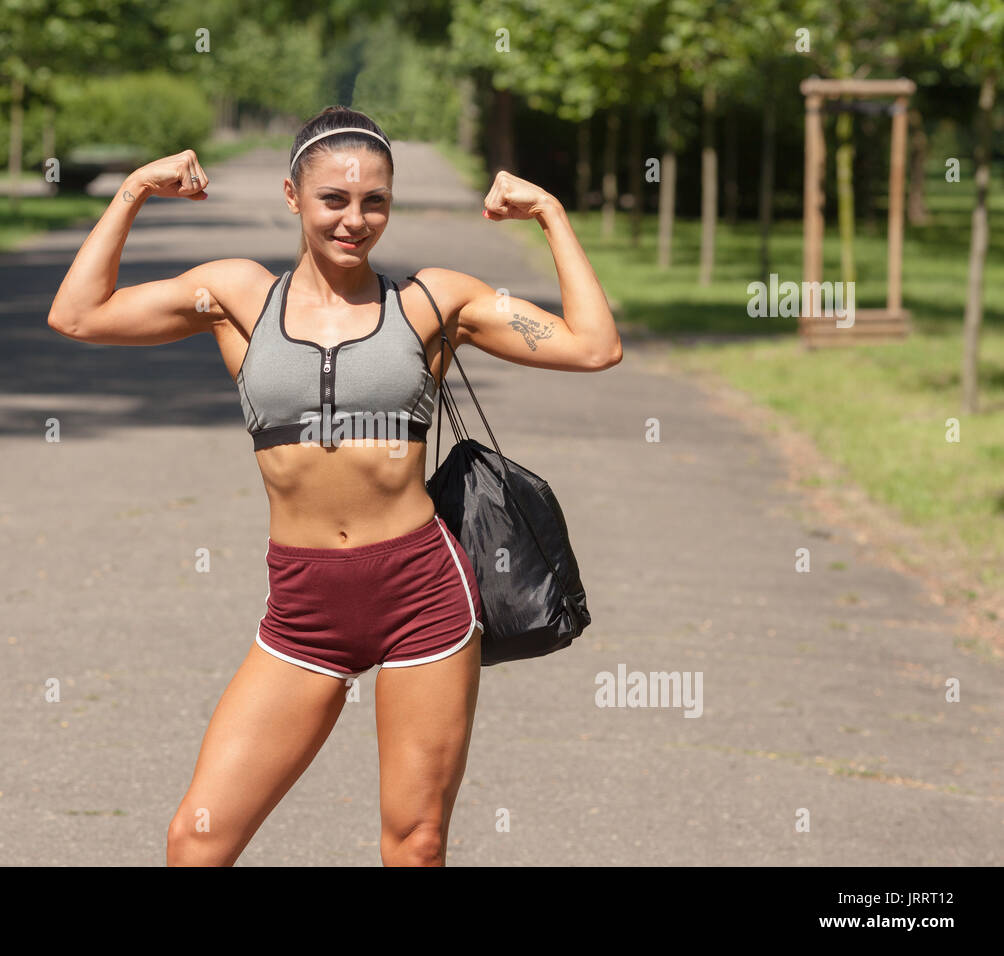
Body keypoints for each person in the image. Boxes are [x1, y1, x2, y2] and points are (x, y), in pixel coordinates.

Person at [47, 106, 621, 866]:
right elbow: (78, 315)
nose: (355, 220)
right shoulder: (239, 297)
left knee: (414, 845)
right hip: (304, 606)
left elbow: (593, 346)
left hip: (421, 594)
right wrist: (132, 192)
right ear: (293, 196)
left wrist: (550, 212)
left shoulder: (432, 302)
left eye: (374, 201)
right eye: (334, 200)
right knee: (197, 840)